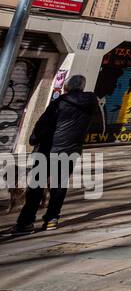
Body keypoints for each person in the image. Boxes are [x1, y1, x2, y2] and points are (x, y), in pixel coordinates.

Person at [13, 75, 104, 234]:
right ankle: (52, 219)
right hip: (71, 149)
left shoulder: (59, 103)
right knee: (59, 186)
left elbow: (42, 126)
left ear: (66, 87)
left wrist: (34, 139)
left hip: (48, 149)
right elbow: (96, 126)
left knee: (36, 186)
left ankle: (26, 222)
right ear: (81, 87)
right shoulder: (91, 104)